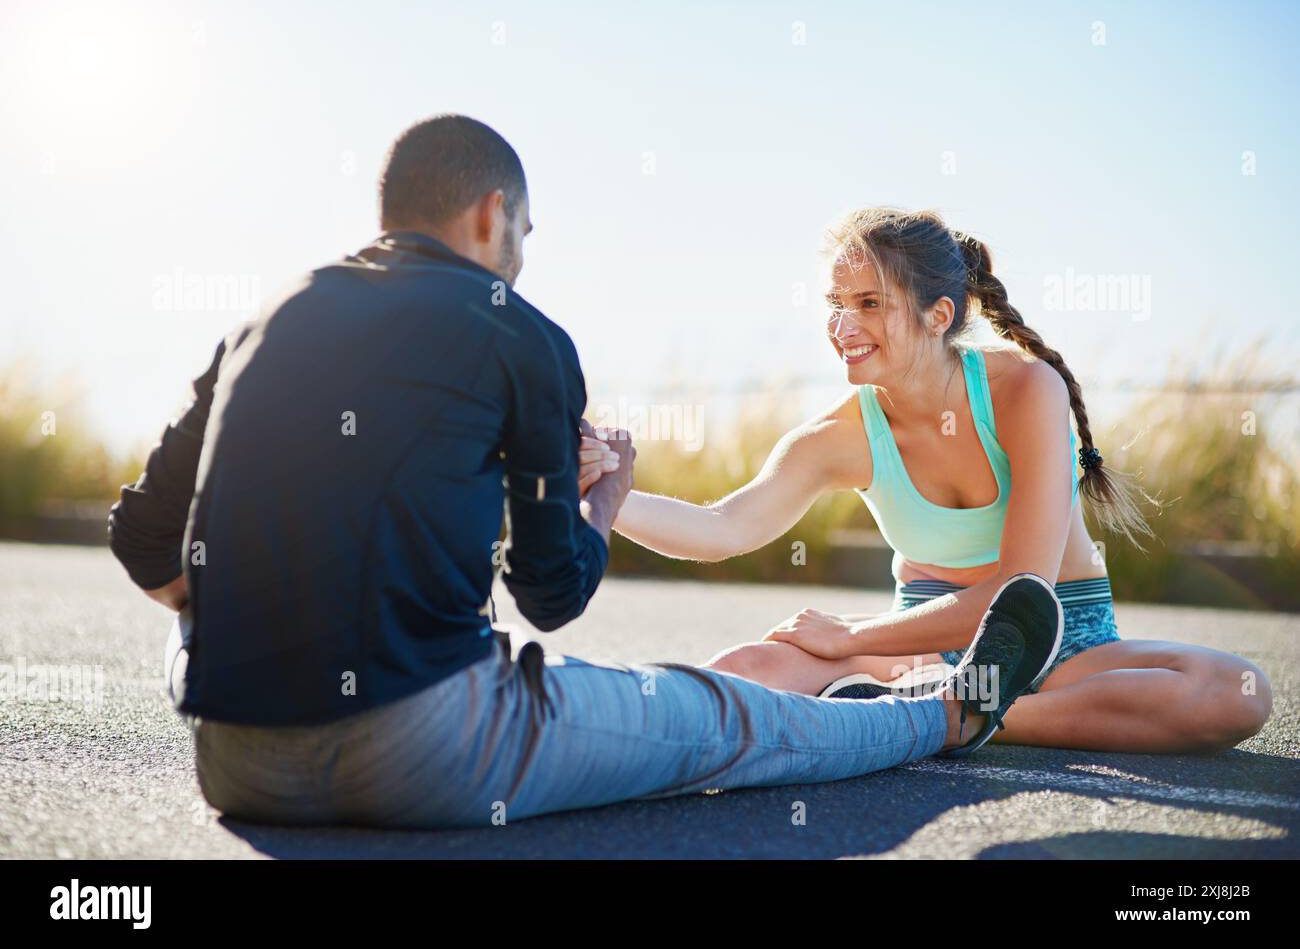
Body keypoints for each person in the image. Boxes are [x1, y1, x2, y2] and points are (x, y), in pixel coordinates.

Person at [107, 115, 1060, 829]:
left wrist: (268, 631)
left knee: (227, 601)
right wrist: (598, 505)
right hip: (429, 757)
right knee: (718, 716)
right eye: (523, 232)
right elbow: (553, 593)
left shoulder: (266, 318)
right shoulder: (520, 336)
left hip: (232, 765)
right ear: (493, 215)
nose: (521, 254)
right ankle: (944, 714)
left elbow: (142, 534)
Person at [607, 208, 1272, 754]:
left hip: (1059, 646)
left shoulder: (1024, 391)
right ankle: (936, 707)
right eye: (835, 304)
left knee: (1232, 691)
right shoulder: (836, 436)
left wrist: (850, 637)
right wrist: (602, 489)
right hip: (923, 650)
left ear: (939, 314)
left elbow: (1022, 593)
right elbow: (722, 527)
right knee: (749, 671)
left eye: (869, 303)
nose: (842, 326)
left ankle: (948, 716)